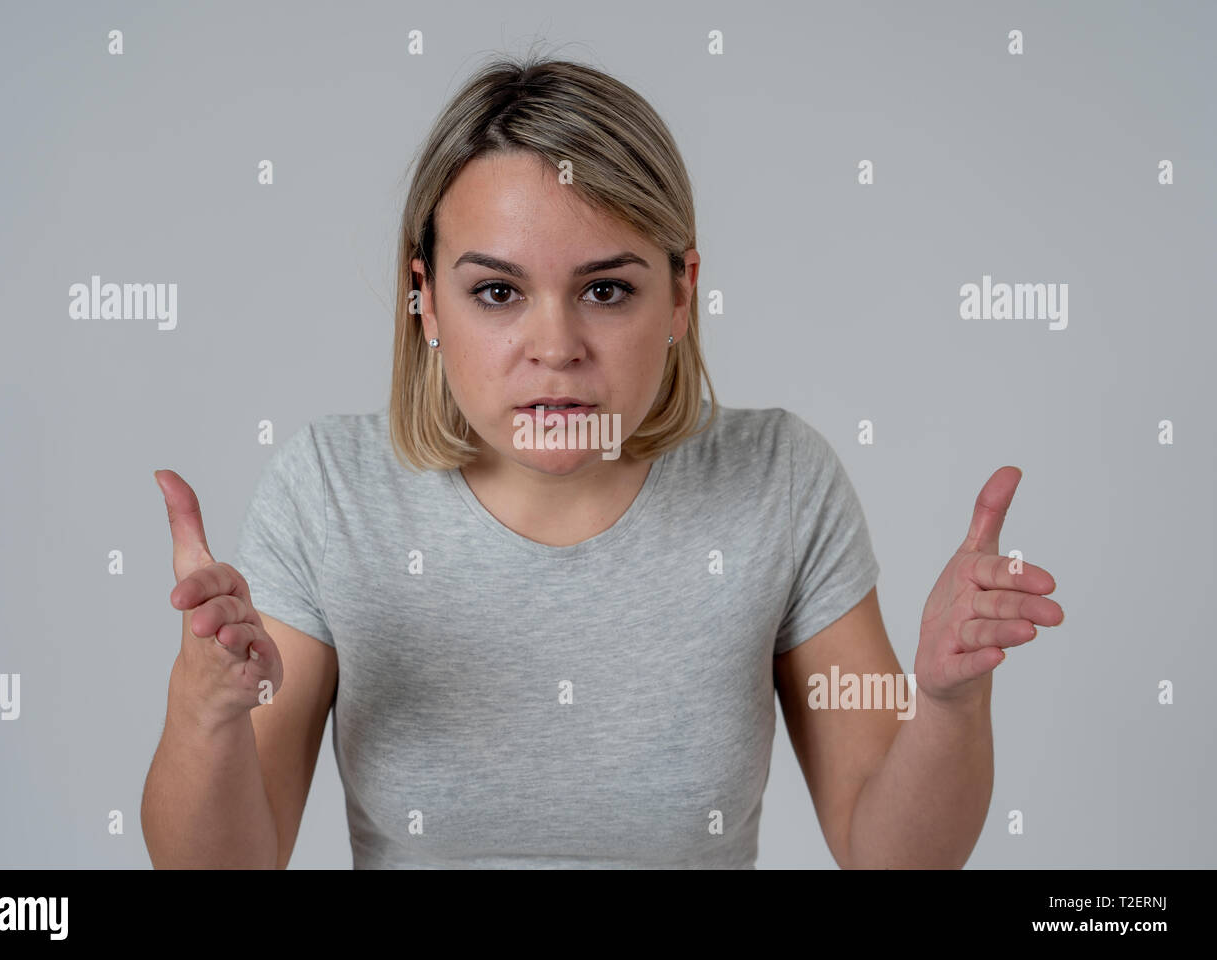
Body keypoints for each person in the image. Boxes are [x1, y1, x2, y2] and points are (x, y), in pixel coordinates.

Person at [140, 54, 1065, 869]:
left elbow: (891, 856)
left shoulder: (780, 481)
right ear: (423, 299)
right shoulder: (331, 493)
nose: (556, 345)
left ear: (680, 298)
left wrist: (948, 703)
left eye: (608, 289)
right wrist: (203, 711)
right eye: (497, 291)